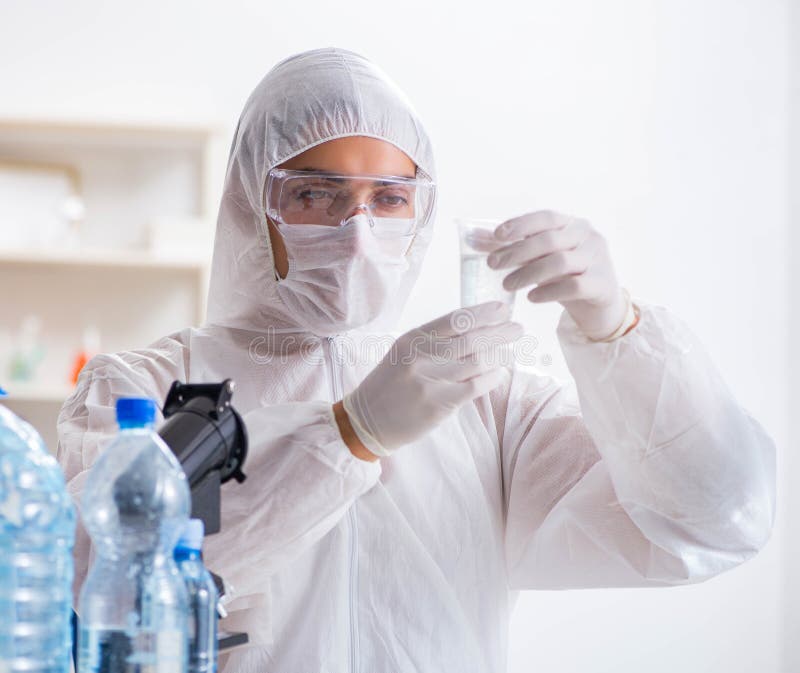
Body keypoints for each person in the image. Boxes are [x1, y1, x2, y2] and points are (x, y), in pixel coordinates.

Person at [57, 48, 776, 673]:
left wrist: (617, 329)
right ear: (253, 201)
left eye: (390, 197)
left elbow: (716, 520)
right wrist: (348, 433)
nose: (358, 229)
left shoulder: (488, 400)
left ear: (421, 213)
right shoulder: (144, 387)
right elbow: (90, 584)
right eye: (313, 193)